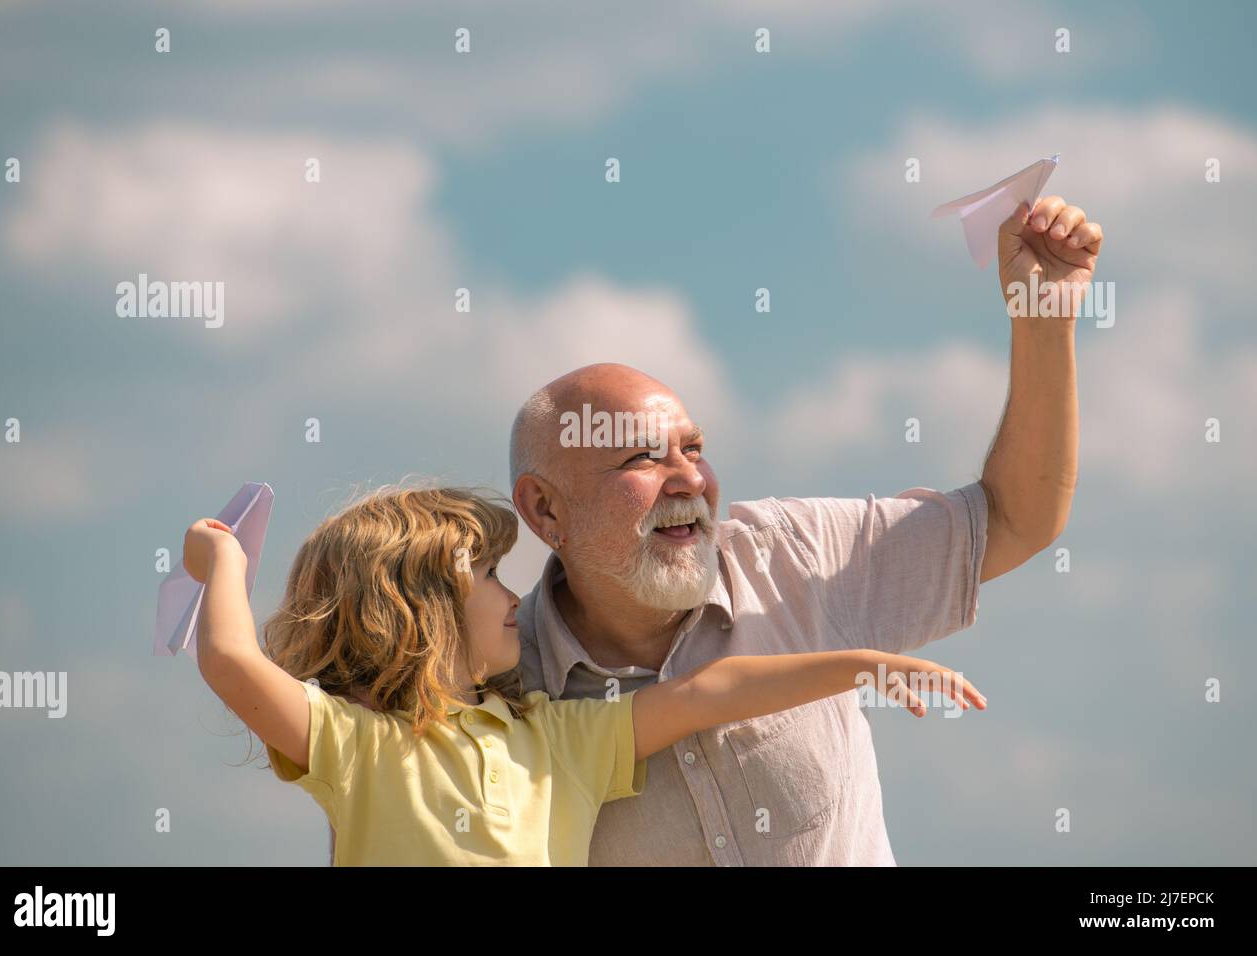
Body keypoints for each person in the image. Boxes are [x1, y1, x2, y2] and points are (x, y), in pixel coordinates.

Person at [506, 196, 1100, 864]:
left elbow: (1018, 519)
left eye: (694, 450)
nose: (690, 481)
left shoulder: (797, 552)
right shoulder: (491, 684)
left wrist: (1044, 320)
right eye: (644, 456)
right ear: (544, 511)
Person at [181, 485, 985, 865]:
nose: (514, 595)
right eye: (490, 575)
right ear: (417, 608)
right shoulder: (355, 748)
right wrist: (222, 560)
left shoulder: (557, 739)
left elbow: (710, 691)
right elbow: (228, 658)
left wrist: (860, 665)